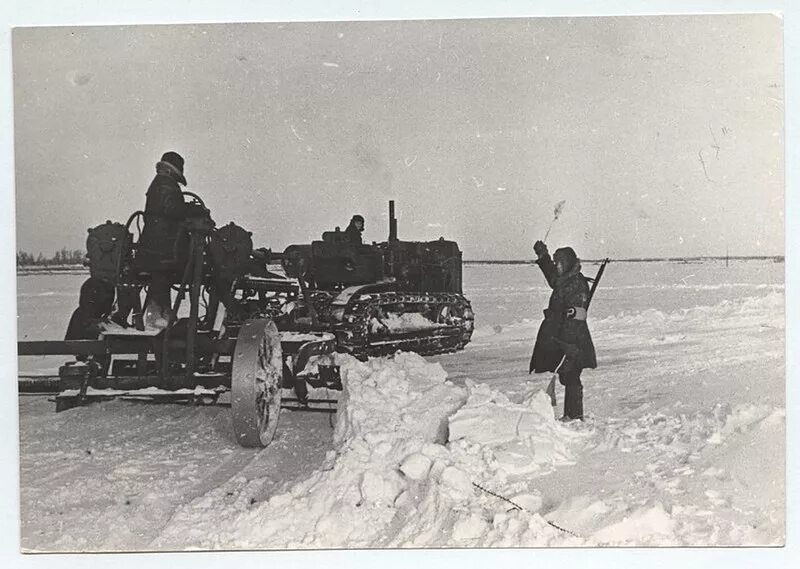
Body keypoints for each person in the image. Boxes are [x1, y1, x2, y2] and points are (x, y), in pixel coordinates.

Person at [529, 240, 597, 421]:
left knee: (572, 375)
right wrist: (543, 256)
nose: (557, 266)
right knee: (567, 375)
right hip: (561, 335)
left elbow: (576, 317)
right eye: (556, 262)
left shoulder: (577, 284)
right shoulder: (564, 279)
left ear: (567, 264)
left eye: (560, 263)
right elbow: (553, 277)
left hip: (574, 337)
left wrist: (568, 345)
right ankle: (571, 415)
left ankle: (575, 416)